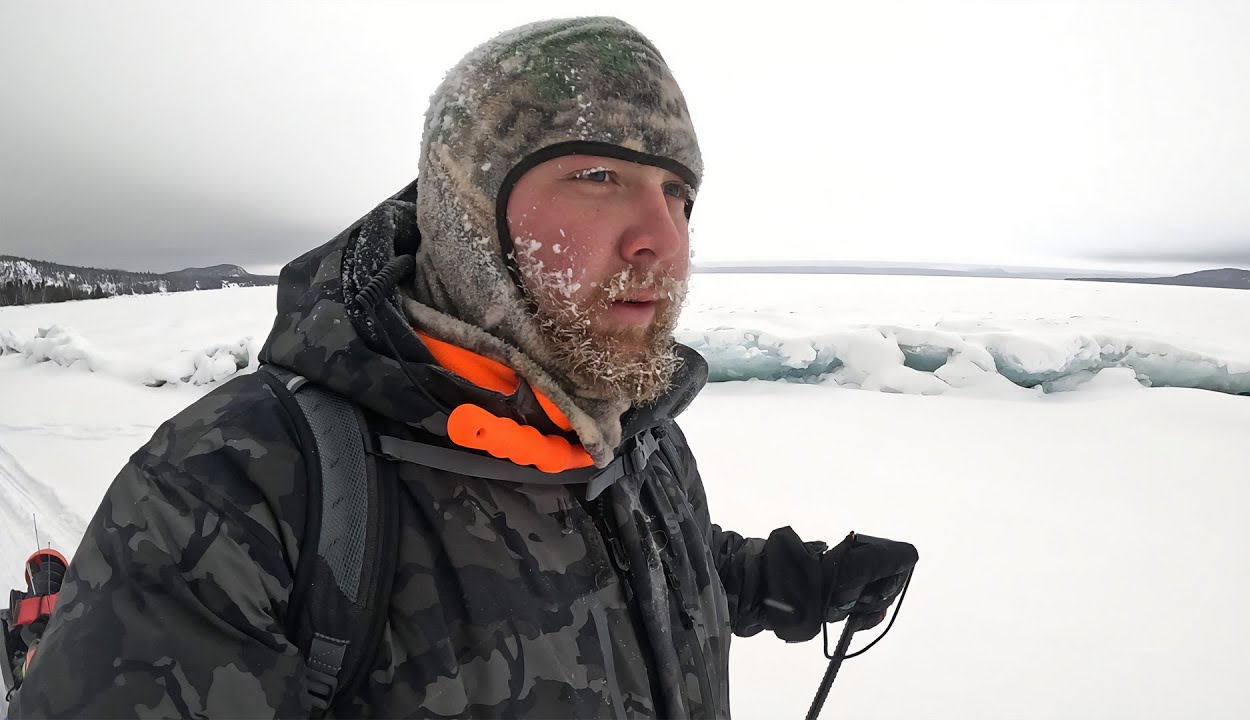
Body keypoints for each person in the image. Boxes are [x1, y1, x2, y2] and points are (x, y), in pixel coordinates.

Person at [10, 17, 917, 719]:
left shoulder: (634, 434)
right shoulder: (238, 486)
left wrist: (792, 582)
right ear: (469, 213)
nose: (662, 239)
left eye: (678, 194)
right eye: (598, 176)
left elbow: (646, 565)